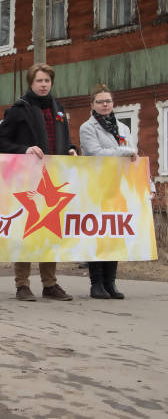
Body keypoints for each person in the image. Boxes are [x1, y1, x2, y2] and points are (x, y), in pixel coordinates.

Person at [0, 62, 77, 302]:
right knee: (26, 231)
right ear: (31, 83)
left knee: (50, 230)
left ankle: (49, 284)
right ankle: (22, 284)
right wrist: (25, 149)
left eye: (47, 81)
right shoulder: (18, 109)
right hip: (26, 180)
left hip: (53, 180)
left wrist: (71, 148)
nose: (43, 85)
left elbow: (64, 139)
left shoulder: (58, 109)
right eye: (39, 81)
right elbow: (2, 142)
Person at [80, 84, 136, 300]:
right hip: (96, 186)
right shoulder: (88, 127)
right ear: (92, 104)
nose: (105, 105)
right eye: (100, 101)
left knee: (114, 234)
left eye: (108, 101)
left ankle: (110, 283)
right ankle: (96, 284)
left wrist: (128, 153)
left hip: (118, 185)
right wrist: (124, 151)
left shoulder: (122, 128)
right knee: (98, 234)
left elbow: (132, 153)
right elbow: (96, 153)